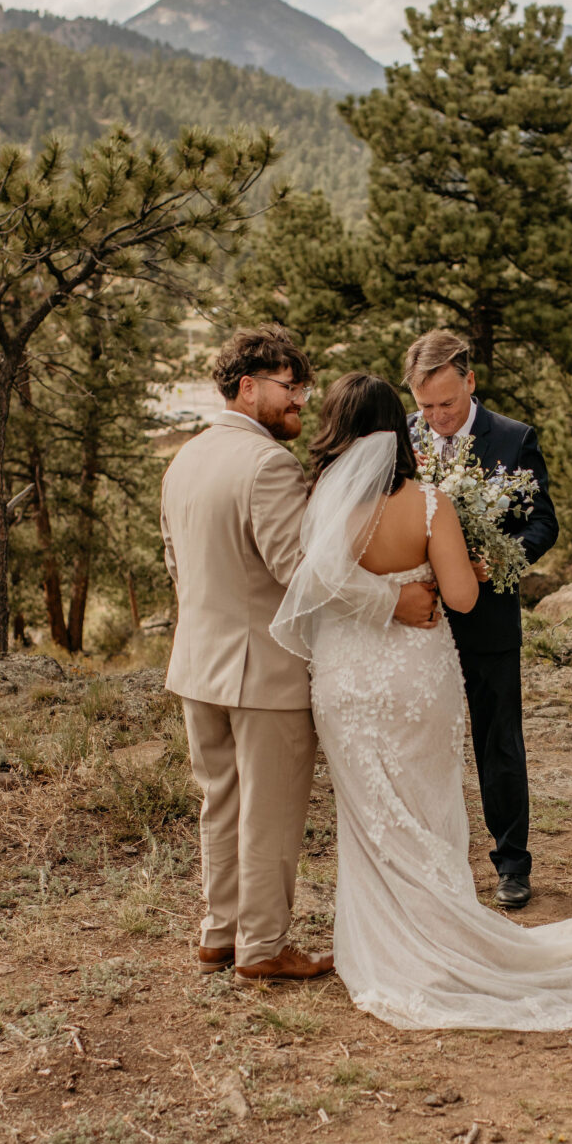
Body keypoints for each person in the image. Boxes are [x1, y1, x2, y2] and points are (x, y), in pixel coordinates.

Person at [272, 372, 572, 1031]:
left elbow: (314, 583)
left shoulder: (319, 497)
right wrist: (453, 562)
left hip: (346, 682)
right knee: (426, 806)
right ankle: (441, 938)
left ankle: (378, 947)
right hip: (415, 677)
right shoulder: (430, 503)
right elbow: (462, 599)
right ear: (397, 430)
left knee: (371, 816)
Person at [160, 326, 438, 986]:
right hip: (264, 670)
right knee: (270, 815)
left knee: (220, 805)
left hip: (199, 663)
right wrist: (392, 603)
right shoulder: (267, 466)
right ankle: (261, 946)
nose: (301, 402)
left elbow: (176, 564)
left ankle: (218, 933)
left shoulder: (184, 460)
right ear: (247, 386)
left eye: (305, 389)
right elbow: (304, 572)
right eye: (291, 388)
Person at [403, 330, 558, 908]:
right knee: (422, 737)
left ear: (470, 381)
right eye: (426, 407)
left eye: (448, 403)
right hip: (420, 618)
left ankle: (512, 864)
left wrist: (497, 561)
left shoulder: (514, 439)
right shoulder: (403, 436)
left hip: (489, 617)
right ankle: (428, 861)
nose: (438, 418)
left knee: (498, 741)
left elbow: (543, 524)